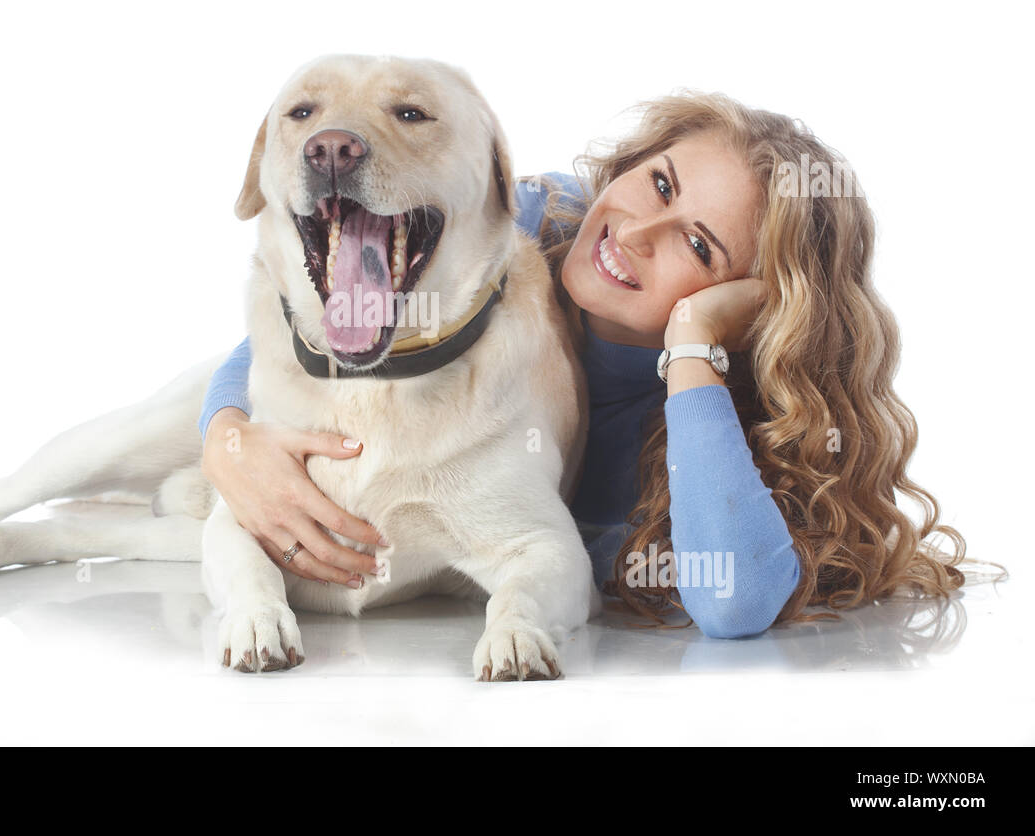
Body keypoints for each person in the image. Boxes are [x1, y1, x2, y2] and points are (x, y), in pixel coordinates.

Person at [197, 92, 966, 638]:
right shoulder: (532, 222)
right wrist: (229, 439)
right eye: (657, 183)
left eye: (699, 248)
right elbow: (314, 324)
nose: (637, 233)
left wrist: (694, 340)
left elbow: (732, 603)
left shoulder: (683, 447)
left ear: (753, 315)